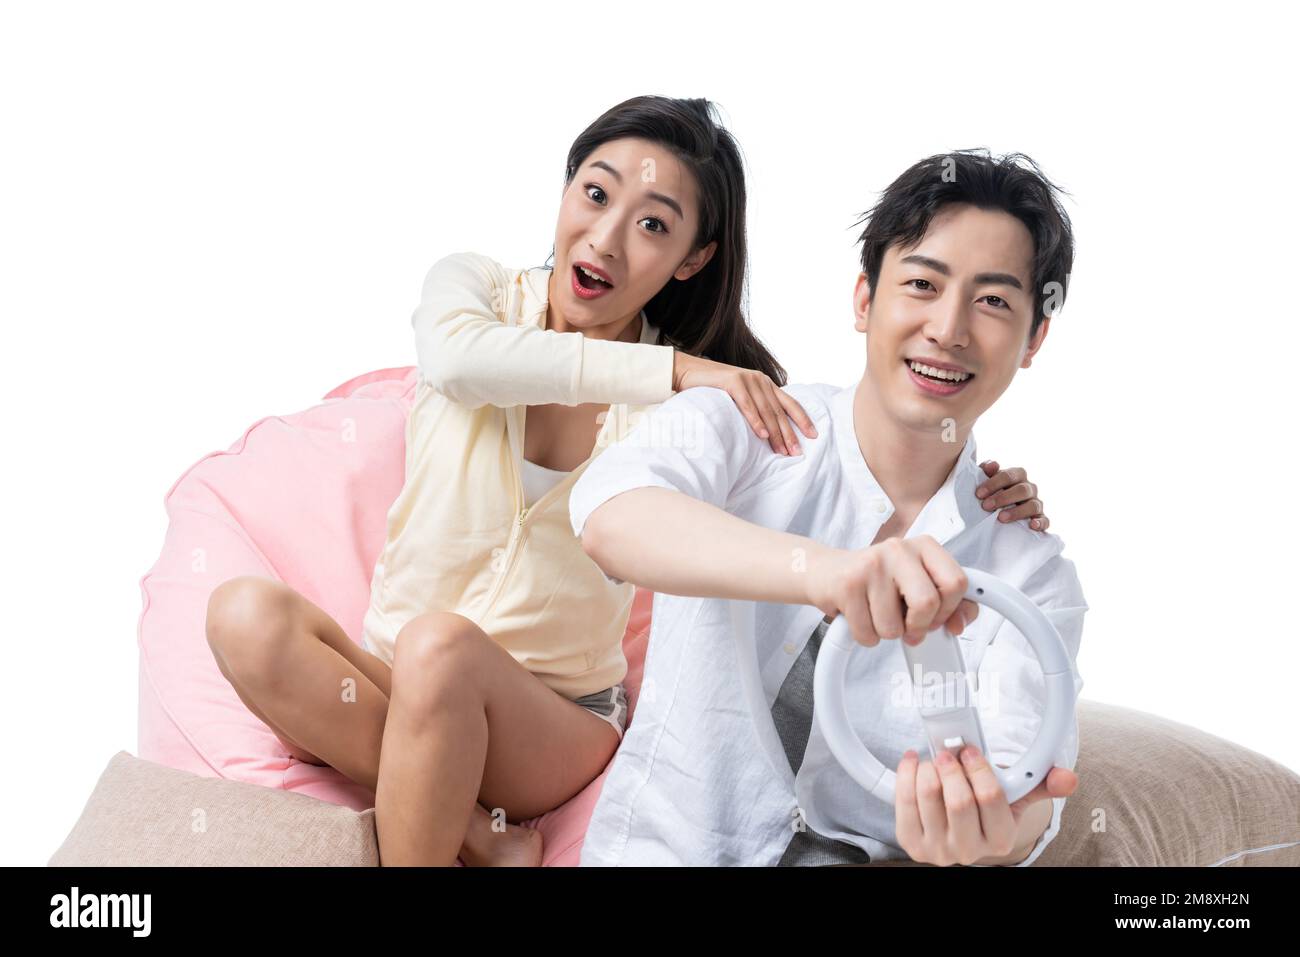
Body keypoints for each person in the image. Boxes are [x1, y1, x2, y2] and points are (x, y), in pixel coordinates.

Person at [204, 97, 1052, 867]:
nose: (607, 239)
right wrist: (668, 366)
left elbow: (845, 468)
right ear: (567, 190)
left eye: (655, 225)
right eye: (597, 194)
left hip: (551, 716)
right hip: (393, 671)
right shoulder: (480, 296)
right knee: (244, 615)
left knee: (441, 645)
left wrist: (976, 495)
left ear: (692, 259)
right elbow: (461, 362)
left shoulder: (701, 403)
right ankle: (473, 830)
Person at [569, 148, 1085, 866]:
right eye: (921, 284)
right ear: (864, 300)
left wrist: (1000, 834)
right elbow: (610, 512)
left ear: (1033, 338)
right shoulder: (747, 424)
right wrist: (824, 573)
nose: (950, 327)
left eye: (994, 301)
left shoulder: (1030, 574)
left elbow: (1029, 781)